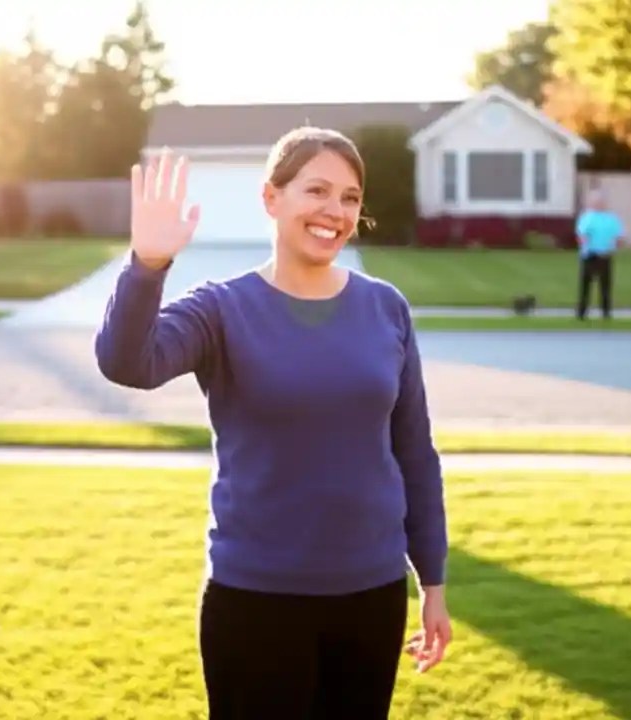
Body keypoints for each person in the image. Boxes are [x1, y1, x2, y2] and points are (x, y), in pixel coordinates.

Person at [94, 128, 452, 719]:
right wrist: (147, 266)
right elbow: (127, 363)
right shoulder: (220, 308)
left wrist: (432, 583)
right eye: (317, 190)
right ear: (271, 198)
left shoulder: (386, 307)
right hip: (255, 601)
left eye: (350, 198)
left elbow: (413, 451)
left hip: (371, 597)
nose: (334, 212)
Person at [574, 190, 626, 320]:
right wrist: (584, 246)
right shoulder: (587, 217)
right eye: (595, 202)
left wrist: (615, 246)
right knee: (586, 284)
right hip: (590, 254)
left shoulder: (612, 219)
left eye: (600, 202)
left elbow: (619, 236)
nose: (598, 204)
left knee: (605, 285)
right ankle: (582, 311)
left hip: (605, 254)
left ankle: (606, 311)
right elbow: (581, 234)